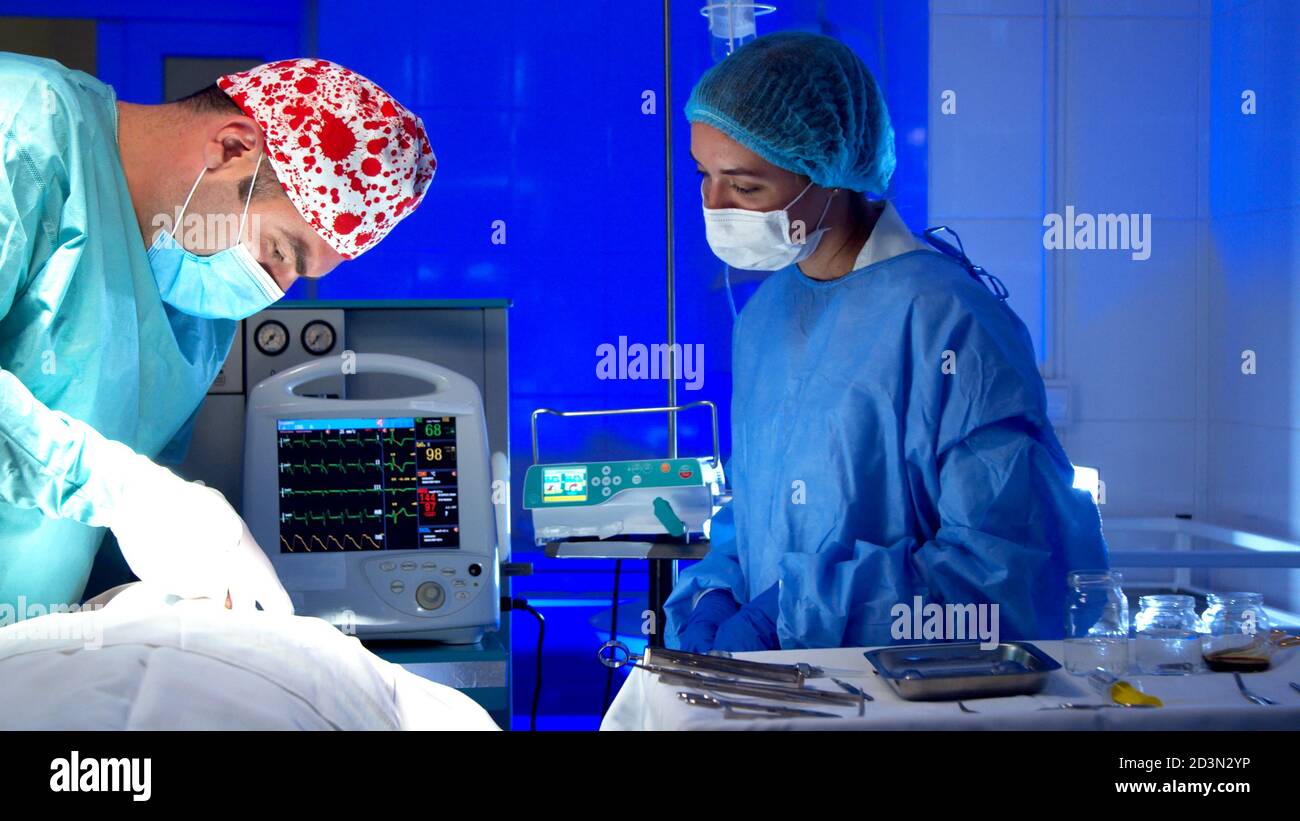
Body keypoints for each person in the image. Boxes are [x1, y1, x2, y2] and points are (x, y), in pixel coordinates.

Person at [664, 32, 1107, 652]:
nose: (714, 205)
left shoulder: (950, 320)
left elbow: (1006, 572)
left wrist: (799, 612)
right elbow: (759, 508)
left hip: (914, 688)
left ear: (829, 171)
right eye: (703, 176)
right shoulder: (765, 316)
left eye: (745, 186)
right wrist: (717, 588)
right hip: (781, 685)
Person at [0, 55, 436, 614]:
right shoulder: (25, 131)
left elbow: (115, 537)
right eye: (279, 250)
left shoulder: (198, 312)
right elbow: (119, 492)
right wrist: (126, 492)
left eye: (296, 277)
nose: (270, 290)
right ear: (231, 148)